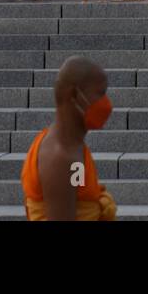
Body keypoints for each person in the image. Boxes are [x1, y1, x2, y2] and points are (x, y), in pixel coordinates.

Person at [21, 57, 117, 221]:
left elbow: (79, 197)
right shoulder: (61, 157)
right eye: (101, 93)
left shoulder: (74, 148)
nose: (106, 103)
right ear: (75, 94)